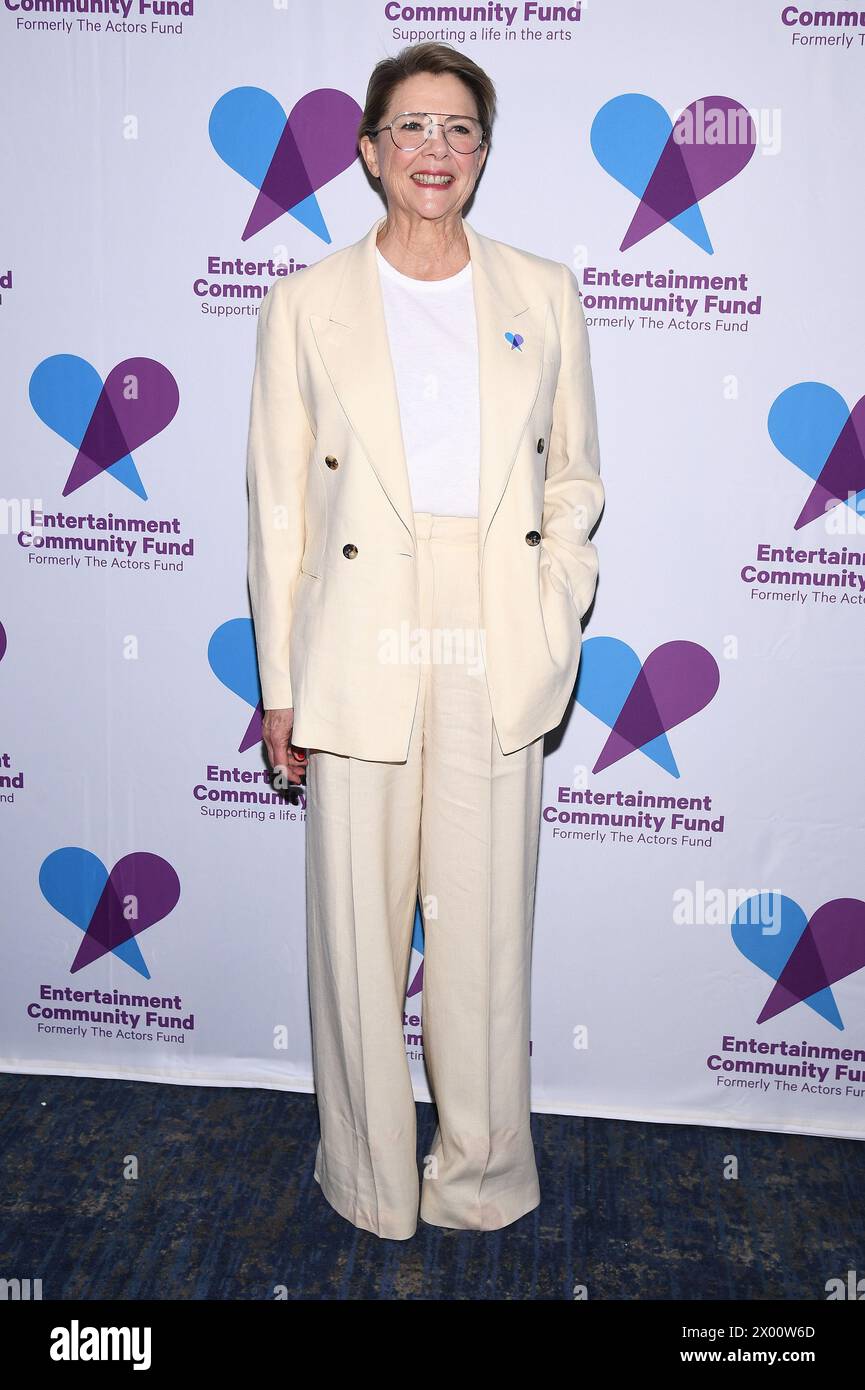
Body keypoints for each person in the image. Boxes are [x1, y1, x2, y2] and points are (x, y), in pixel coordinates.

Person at [245, 41, 603, 1239]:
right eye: (410, 128)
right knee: (355, 924)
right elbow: (279, 502)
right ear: (368, 152)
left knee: (483, 928)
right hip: (357, 625)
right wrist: (281, 684)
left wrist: (557, 596)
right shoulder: (302, 302)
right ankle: (367, 1177)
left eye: (458, 129)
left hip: (495, 621)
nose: (434, 149)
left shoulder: (543, 290)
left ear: (484, 153)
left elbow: (576, 478)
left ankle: (483, 1176)